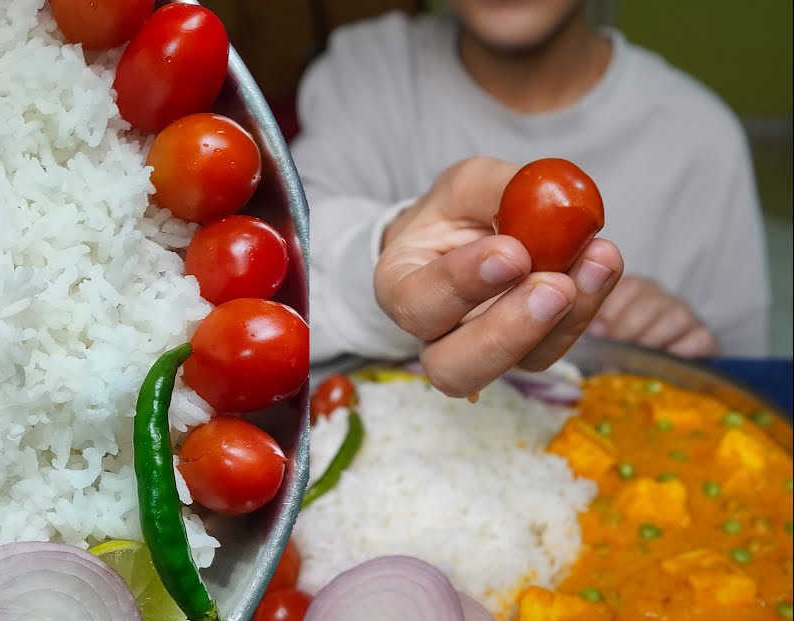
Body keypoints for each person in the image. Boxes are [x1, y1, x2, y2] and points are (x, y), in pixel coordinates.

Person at [294, 0, 770, 397]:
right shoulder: (364, 70)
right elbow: (288, 265)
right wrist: (387, 249)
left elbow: (746, 377)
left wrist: (684, 346)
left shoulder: (703, 134)